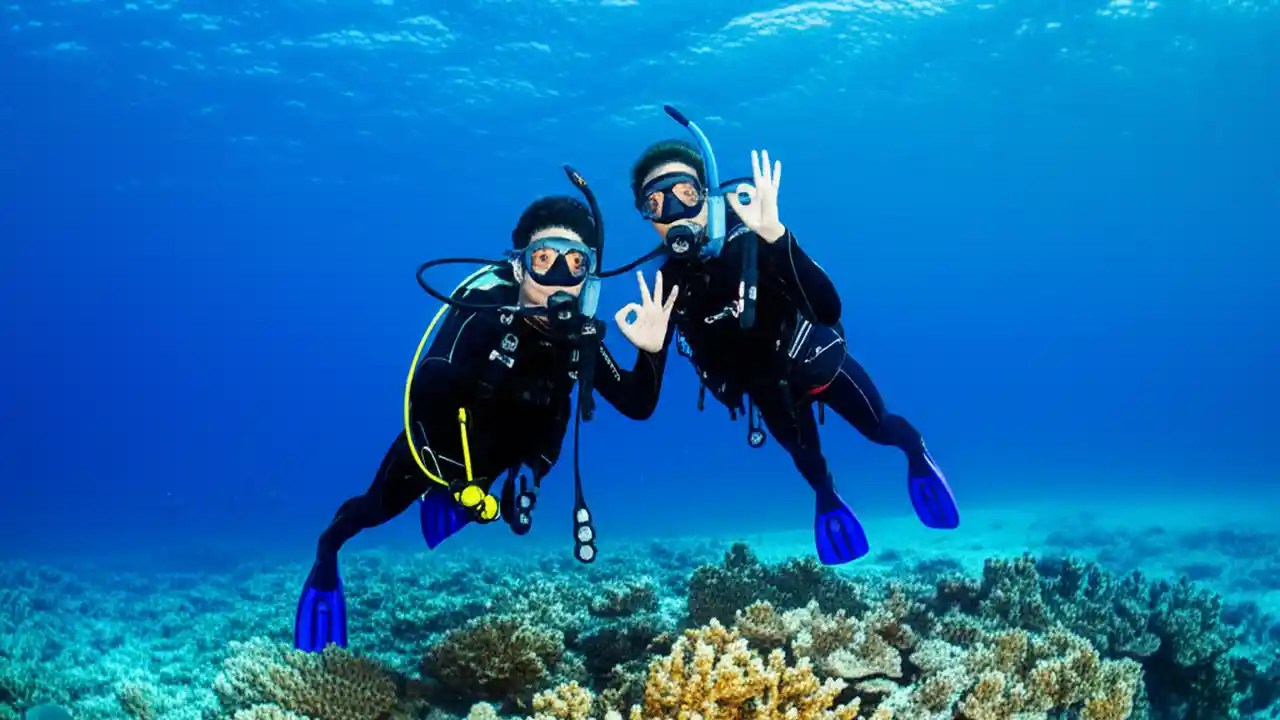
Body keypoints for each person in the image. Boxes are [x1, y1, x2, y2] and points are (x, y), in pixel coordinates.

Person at [294, 179, 678, 653]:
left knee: (496, 507)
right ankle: (326, 556)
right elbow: (429, 389)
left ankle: (485, 496)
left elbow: (638, 404)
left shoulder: (580, 337)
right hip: (438, 454)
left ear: (589, 278)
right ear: (519, 266)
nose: (559, 277)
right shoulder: (484, 312)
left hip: (514, 463)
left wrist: (653, 351)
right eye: (544, 259)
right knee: (373, 510)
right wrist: (498, 343)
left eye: (576, 264)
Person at [617, 107, 958, 565]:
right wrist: (648, 349)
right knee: (811, 466)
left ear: (707, 193)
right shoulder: (666, 287)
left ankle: (915, 453)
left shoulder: (752, 235)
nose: (675, 211)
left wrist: (778, 237)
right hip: (763, 391)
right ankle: (828, 498)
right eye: (657, 204)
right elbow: (642, 400)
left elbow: (828, 308)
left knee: (879, 428)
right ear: (648, 217)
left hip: (813, 363)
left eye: (685, 193)